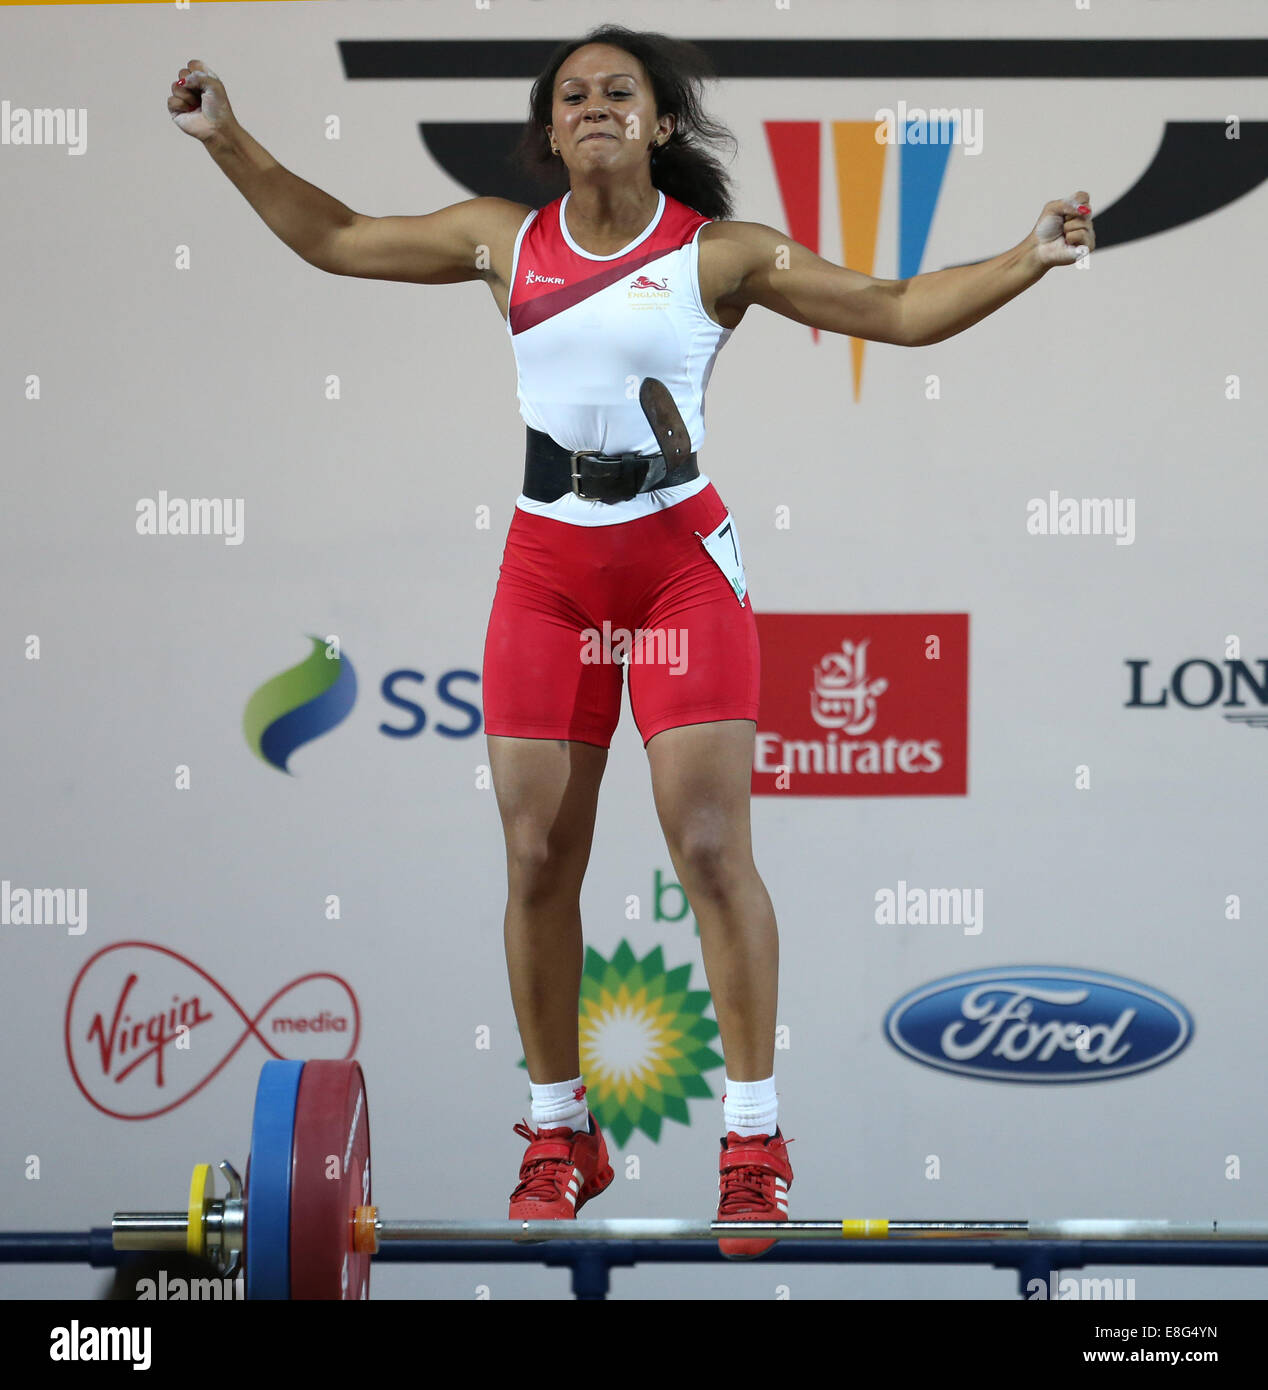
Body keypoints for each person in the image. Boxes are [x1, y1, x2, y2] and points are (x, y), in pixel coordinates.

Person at [168, 25, 1093, 1262]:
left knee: (709, 847)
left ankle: (752, 1144)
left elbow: (895, 309)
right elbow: (334, 238)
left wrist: (1027, 255)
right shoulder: (501, 240)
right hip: (548, 576)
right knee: (536, 847)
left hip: (674, 576)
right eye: (573, 96)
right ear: (550, 133)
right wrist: (226, 136)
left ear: (660, 125)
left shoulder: (720, 255)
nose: (596, 105)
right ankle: (559, 1132)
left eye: (621, 92)